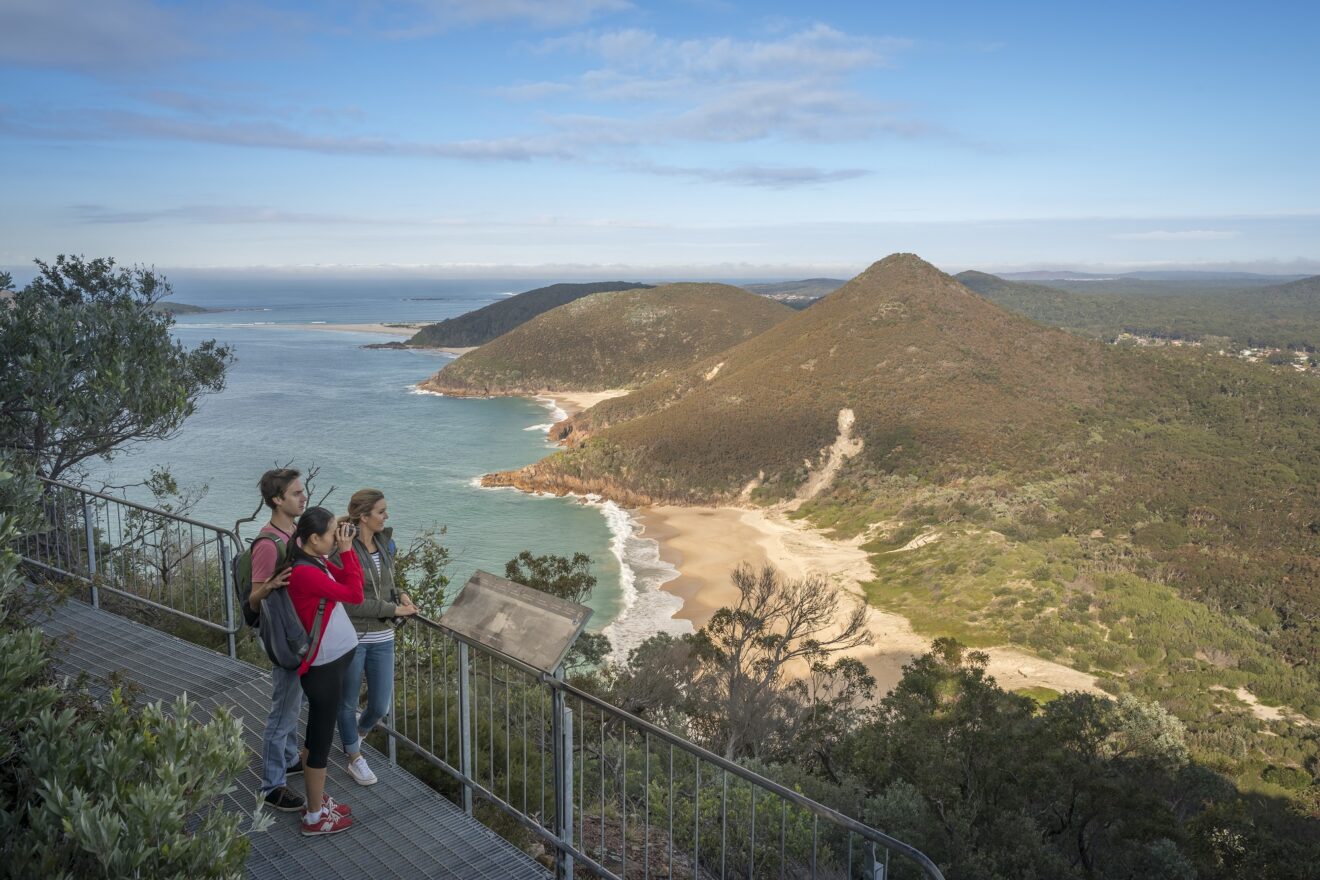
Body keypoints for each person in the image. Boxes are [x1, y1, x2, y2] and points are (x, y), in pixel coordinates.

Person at [286, 507, 364, 835]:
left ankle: (315, 800)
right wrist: (347, 551)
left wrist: (343, 554)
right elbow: (356, 594)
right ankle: (314, 818)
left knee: (316, 738)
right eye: (332, 533)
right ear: (314, 538)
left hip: (331, 665)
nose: (336, 537)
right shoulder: (305, 572)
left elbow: (347, 580)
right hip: (322, 669)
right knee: (318, 743)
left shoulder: (315, 561)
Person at [337, 489, 418, 786]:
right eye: (381, 512)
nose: (386, 516)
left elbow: (387, 585)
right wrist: (394, 608)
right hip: (353, 635)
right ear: (364, 516)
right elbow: (350, 602)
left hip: (383, 635)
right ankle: (354, 758)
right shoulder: (342, 548)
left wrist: (401, 595)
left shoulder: (385, 544)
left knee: (380, 706)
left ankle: (353, 737)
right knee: (346, 703)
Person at [249, 468, 308, 813]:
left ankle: (288, 758)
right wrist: (268, 587)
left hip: (296, 631)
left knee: (293, 701)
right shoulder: (268, 544)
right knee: (283, 708)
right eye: (296, 493)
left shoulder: (295, 533)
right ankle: (272, 785)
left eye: (303, 491)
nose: (304, 497)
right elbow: (254, 599)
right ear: (277, 499)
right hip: (282, 635)